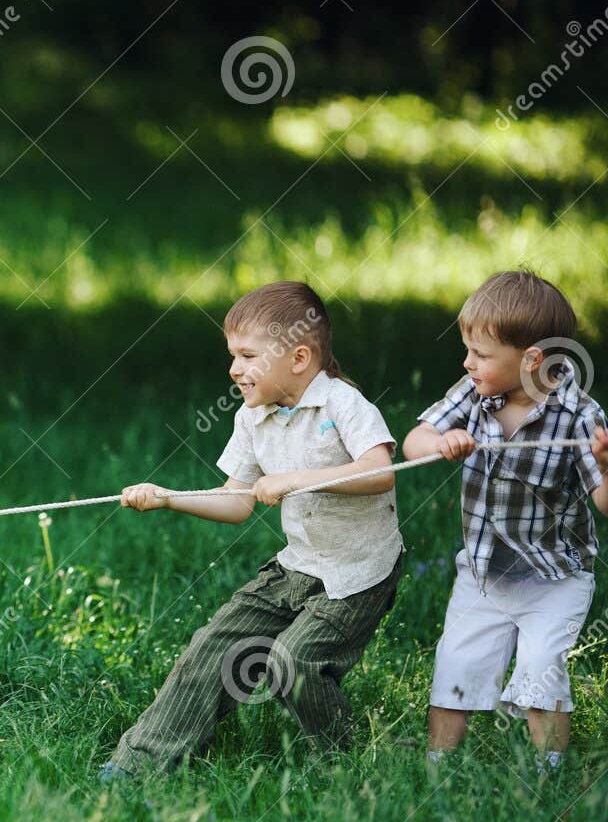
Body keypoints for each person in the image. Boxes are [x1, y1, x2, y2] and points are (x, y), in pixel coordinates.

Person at [100, 282, 403, 777]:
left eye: (246, 355)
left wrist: (295, 481)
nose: (234, 369)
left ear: (299, 358)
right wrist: (168, 498)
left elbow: (380, 473)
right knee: (213, 643)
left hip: (359, 572)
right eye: (232, 355)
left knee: (291, 662)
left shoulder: (344, 405)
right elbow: (236, 502)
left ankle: (349, 761)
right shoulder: (252, 416)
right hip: (300, 566)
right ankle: (141, 763)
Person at [402, 270, 608, 775]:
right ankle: (437, 768)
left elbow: (603, 502)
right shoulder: (472, 393)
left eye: (481, 353)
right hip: (482, 572)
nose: (467, 362)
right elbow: (414, 442)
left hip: (555, 577)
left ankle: (549, 772)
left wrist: (604, 466)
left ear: (533, 360)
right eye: (467, 349)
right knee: (457, 668)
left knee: (541, 670)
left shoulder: (581, 416)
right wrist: (439, 443)